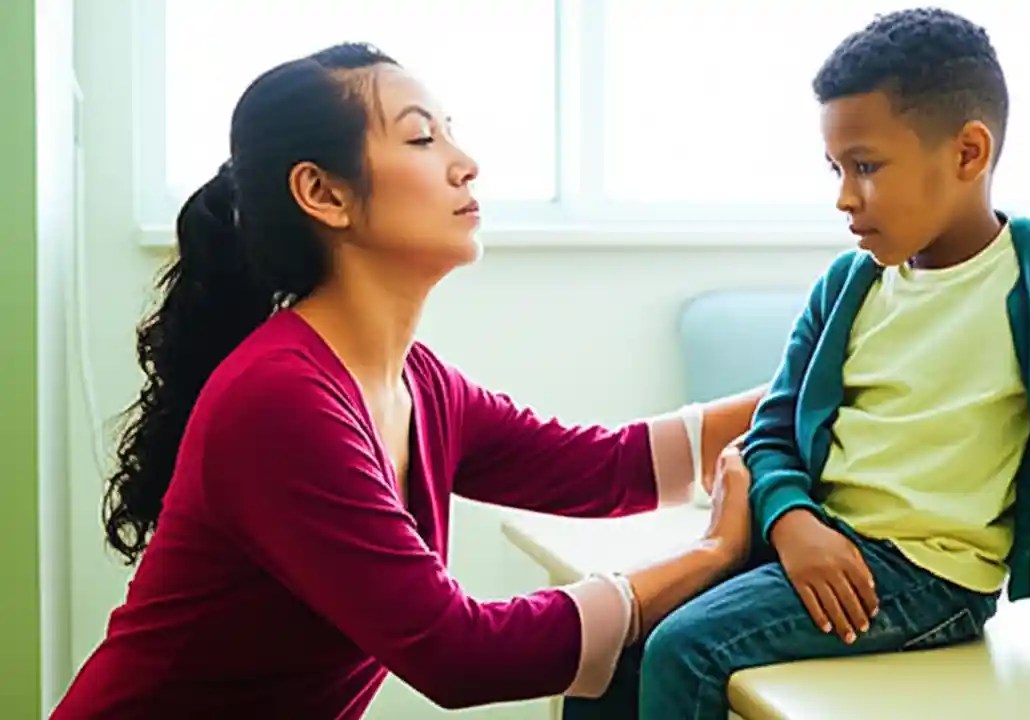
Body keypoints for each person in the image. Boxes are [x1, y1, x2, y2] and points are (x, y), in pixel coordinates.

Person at [52, 43, 765, 719]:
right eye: (423, 139)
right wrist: (708, 557)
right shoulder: (281, 401)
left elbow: (607, 468)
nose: (467, 165)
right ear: (323, 193)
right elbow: (459, 654)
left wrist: (826, 376)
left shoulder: (415, 384)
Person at [565, 8, 1030, 719]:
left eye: (866, 166)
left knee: (686, 650)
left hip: (928, 573)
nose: (844, 197)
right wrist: (794, 522)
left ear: (968, 154)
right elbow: (771, 435)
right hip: (814, 540)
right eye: (836, 169)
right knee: (614, 641)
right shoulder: (850, 285)